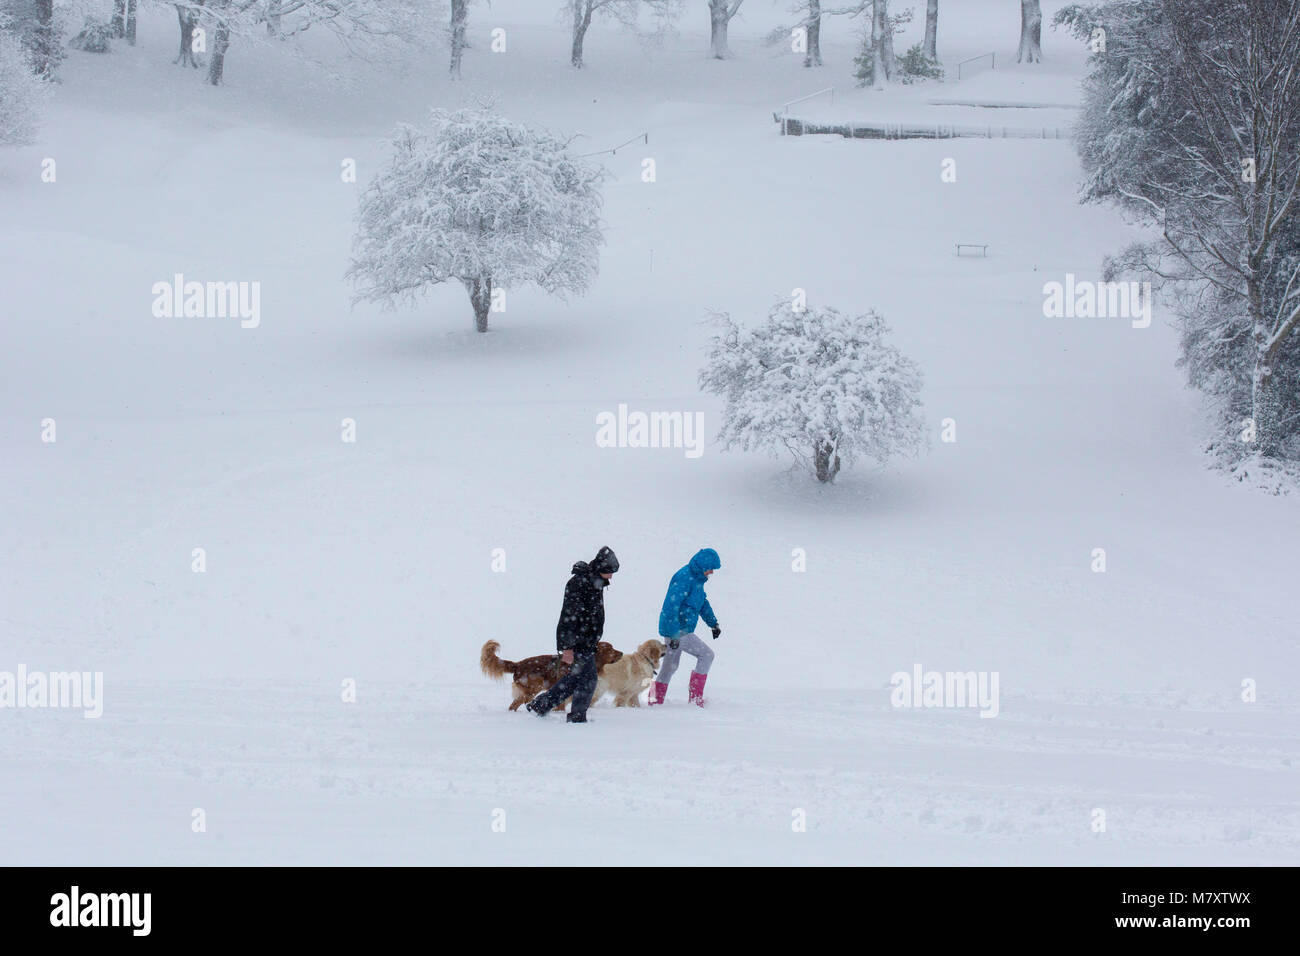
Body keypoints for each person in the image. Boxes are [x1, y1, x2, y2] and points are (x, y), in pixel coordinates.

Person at [527, 546, 620, 723]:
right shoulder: (579, 583)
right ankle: (577, 717)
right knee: (589, 679)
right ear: (601, 568)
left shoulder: (596, 582)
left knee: (575, 678)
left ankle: (540, 705)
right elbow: (568, 618)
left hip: (587, 641)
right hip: (578, 641)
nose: (612, 576)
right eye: (610, 572)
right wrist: (567, 648)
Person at [650, 548, 721, 707]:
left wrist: (713, 623)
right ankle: (695, 700)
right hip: (678, 630)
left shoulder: (697, 580)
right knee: (707, 655)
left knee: (670, 667)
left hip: (681, 629)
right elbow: (671, 606)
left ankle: (654, 700)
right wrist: (674, 634)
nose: (712, 572)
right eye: (711, 568)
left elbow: (702, 603)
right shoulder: (684, 578)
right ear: (703, 565)